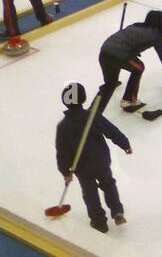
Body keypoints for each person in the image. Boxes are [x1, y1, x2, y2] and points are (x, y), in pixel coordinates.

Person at [55, 83, 132, 234]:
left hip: (82, 167)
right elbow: (111, 131)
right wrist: (124, 144)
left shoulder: (63, 126)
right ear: (83, 98)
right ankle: (117, 211)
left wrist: (66, 171)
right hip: (100, 160)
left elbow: (62, 152)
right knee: (109, 184)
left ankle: (98, 221)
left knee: (89, 193)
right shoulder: (92, 116)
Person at [97, 9, 162, 117]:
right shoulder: (155, 35)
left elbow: (126, 40)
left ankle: (91, 114)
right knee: (139, 68)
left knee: (110, 84)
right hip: (119, 54)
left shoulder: (136, 26)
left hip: (104, 51)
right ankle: (128, 100)